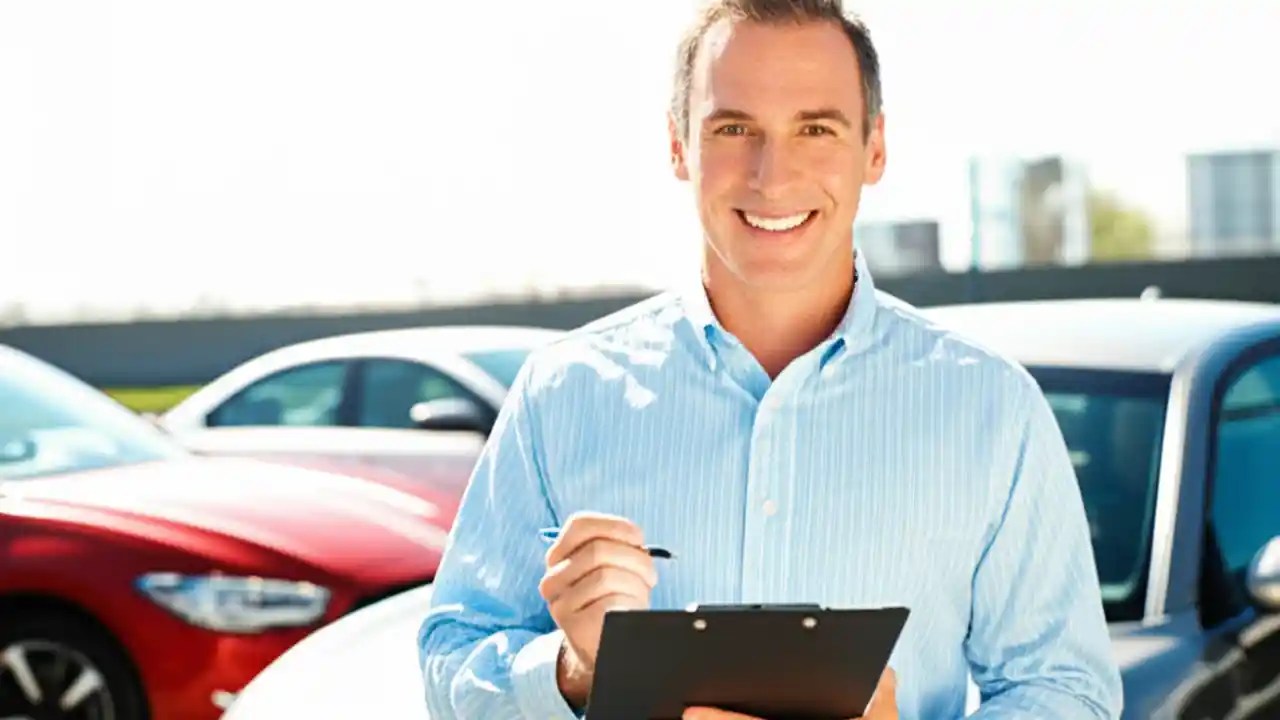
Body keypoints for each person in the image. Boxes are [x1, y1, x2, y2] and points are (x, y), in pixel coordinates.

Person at [418, 0, 1124, 718]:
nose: (772, 175)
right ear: (677, 146)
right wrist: (574, 669)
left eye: (816, 128)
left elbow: (1068, 695)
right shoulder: (561, 395)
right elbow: (451, 667)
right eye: (734, 128)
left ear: (874, 149)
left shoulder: (992, 411)